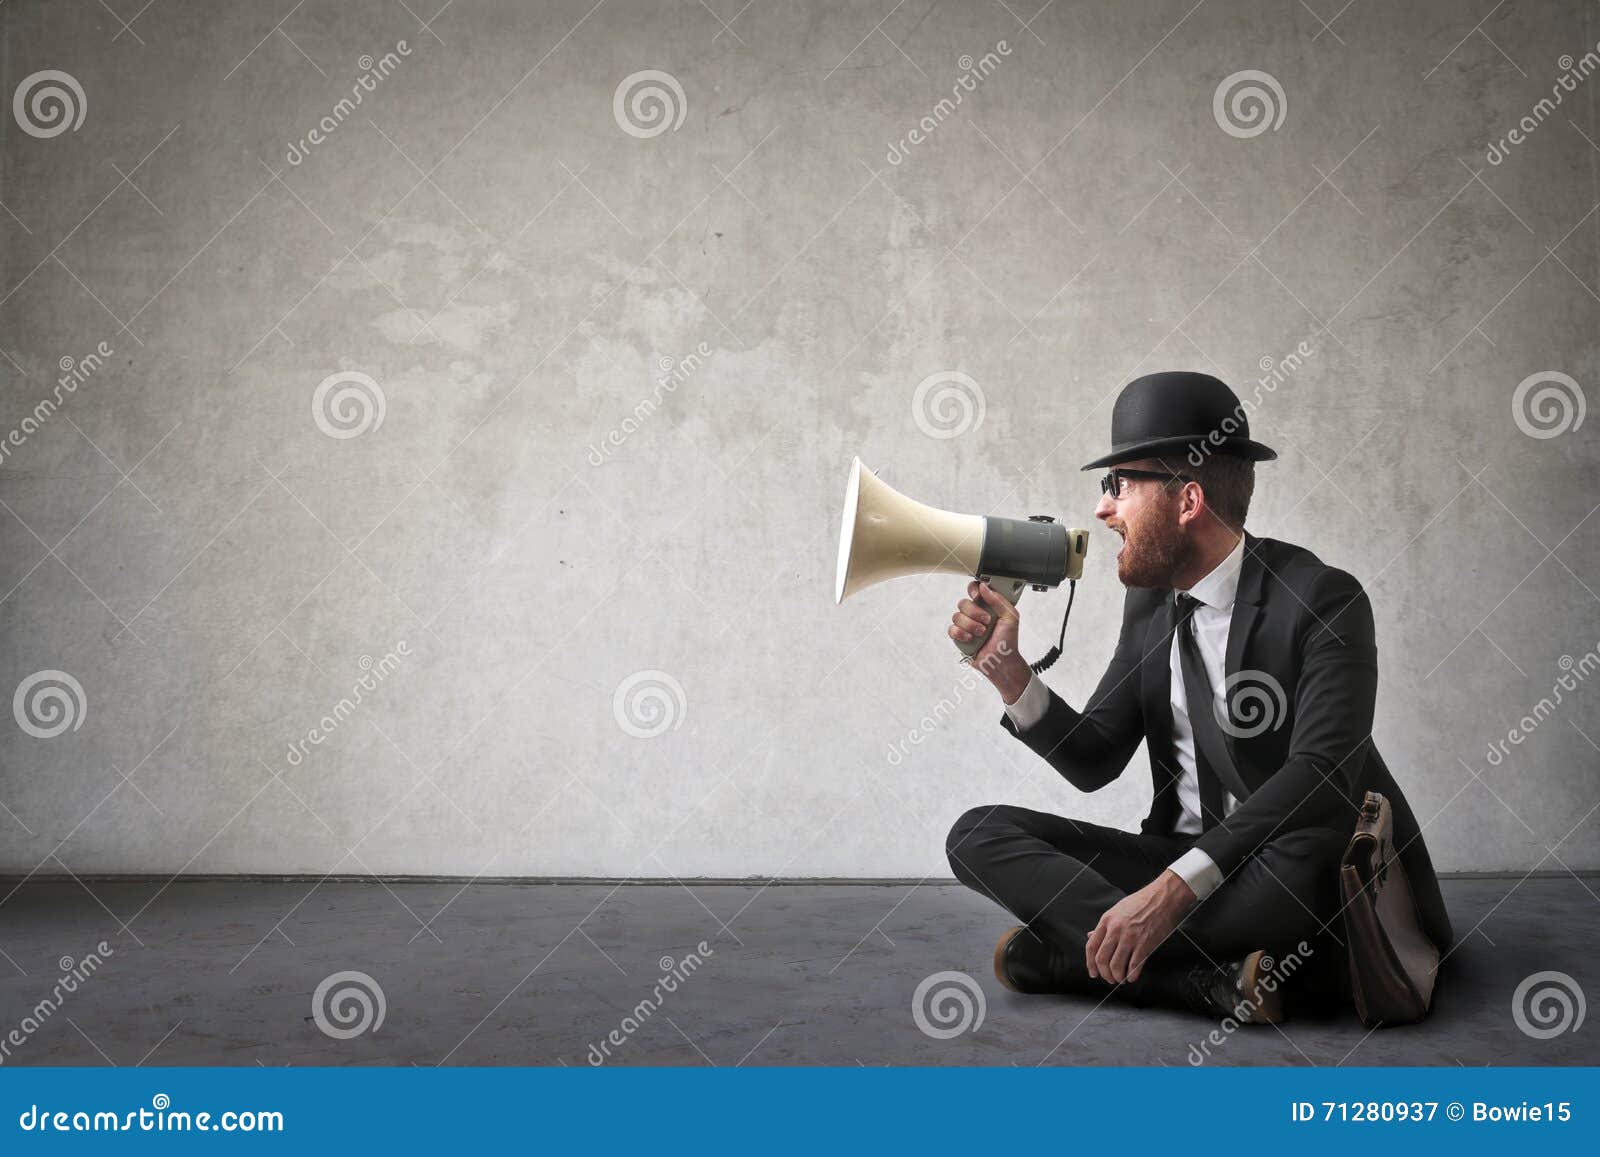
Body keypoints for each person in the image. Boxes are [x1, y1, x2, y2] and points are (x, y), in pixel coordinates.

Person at [944, 371, 1452, 1023]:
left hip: (1280, 867)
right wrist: (1010, 673)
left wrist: (1175, 890)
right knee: (978, 833)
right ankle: (1197, 979)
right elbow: (1095, 758)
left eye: (1120, 485)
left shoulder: (1325, 598)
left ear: (1187, 501)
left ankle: (1076, 958)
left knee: (1311, 852)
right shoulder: (1151, 605)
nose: (1103, 510)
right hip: (1180, 862)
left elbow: (1322, 773)